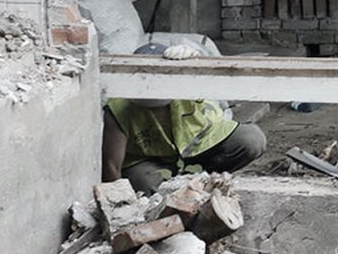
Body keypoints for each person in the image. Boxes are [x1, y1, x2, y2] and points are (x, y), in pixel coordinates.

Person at [102, 42, 267, 193]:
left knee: (251, 139)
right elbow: (111, 166)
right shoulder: (118, 106)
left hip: (198, 149)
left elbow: (217, 77)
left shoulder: (184, 81)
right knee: (143, 184)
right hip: (151, 162)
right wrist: (118, 204)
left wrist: (195, 60)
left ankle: (202, 182)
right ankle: (176, 195)